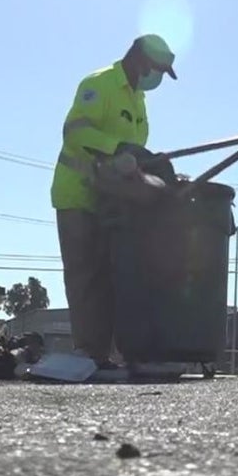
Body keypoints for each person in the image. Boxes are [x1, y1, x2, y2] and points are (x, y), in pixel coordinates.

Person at [50, 34, 177, 368]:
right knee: (84, 274)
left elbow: (133, 151)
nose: (158, 78)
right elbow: (75, 133)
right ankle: (89, 352)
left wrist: (145, 164)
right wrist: (117, 149)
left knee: (112, 275)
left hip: (113, 200)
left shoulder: (138, 100)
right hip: (77, 193)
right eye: (158, 70)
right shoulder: (100, 84)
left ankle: (108, 354)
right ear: (141, 60)